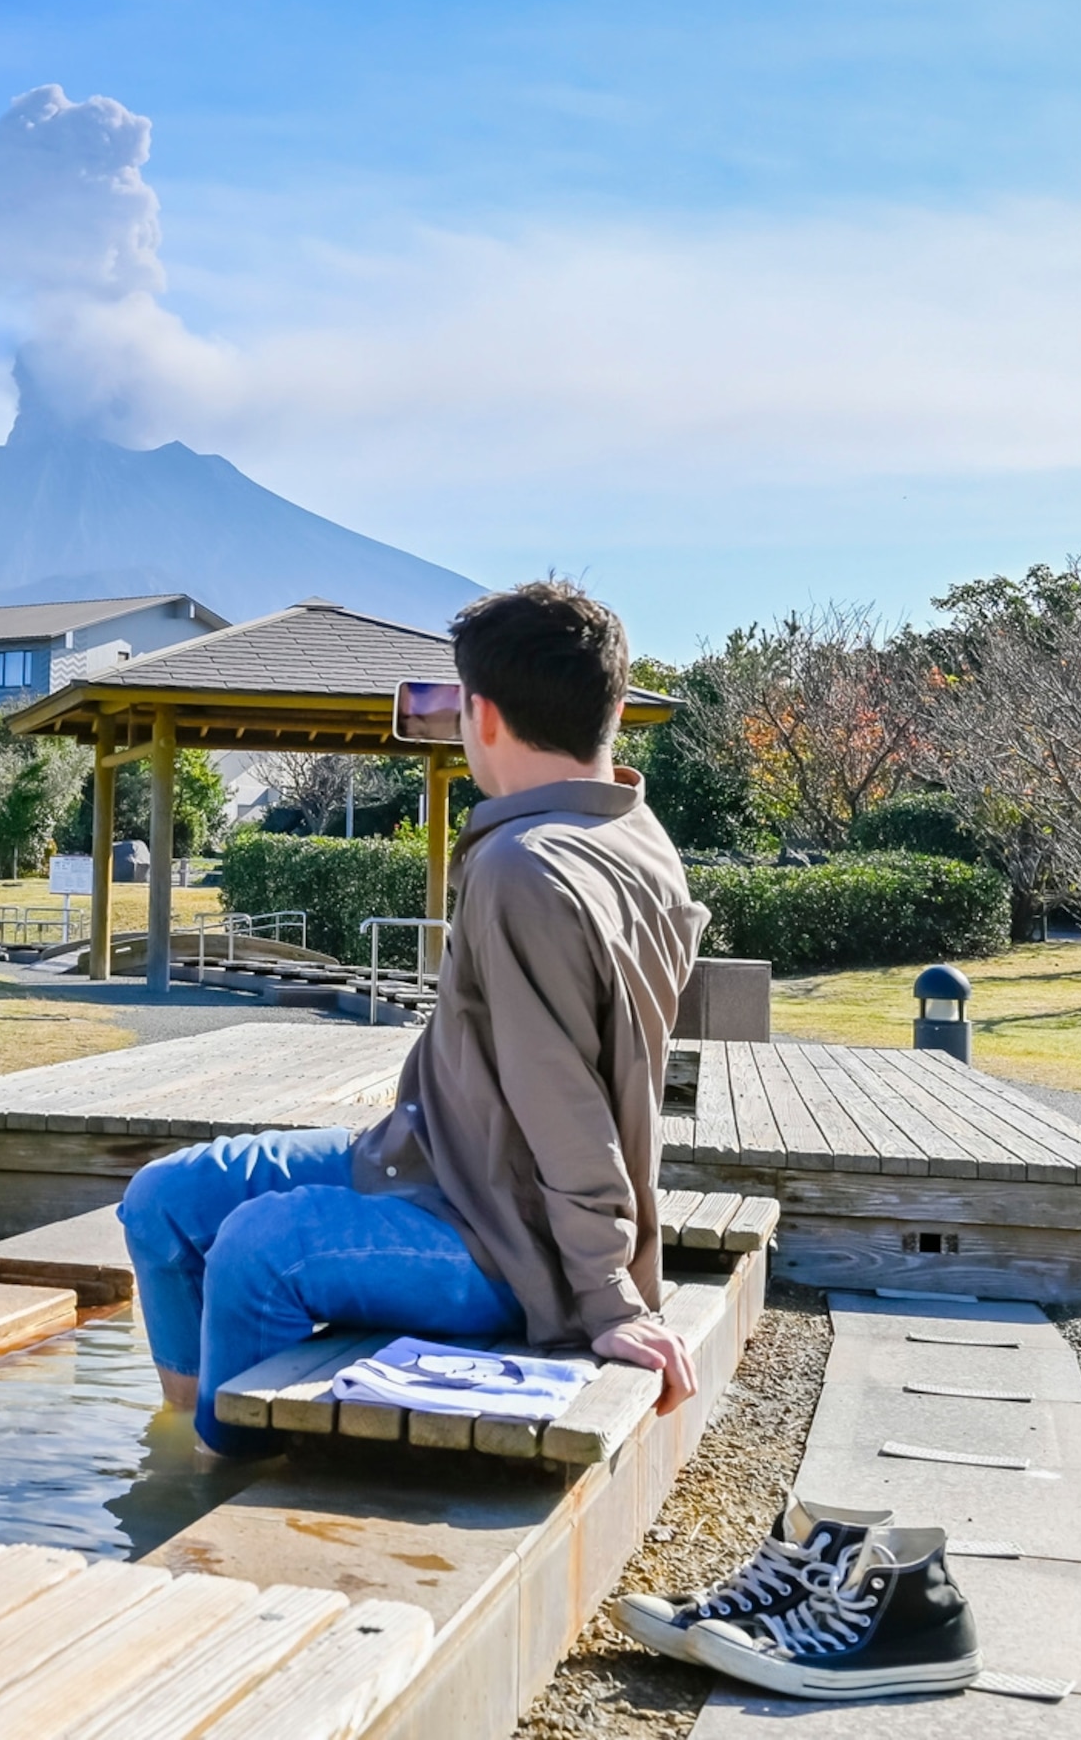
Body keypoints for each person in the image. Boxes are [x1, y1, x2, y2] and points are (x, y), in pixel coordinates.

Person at [121, 580, 711, 1456]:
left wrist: (609, 1299)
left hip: (508, 1239)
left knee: (255, 1249)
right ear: (614, 710)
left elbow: (567, 1106)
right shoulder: (627, 826)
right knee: (165, 1200)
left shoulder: (525, 866)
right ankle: (189, 1435)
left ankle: (227, 1487)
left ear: (480, 716)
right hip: (432, 1158)